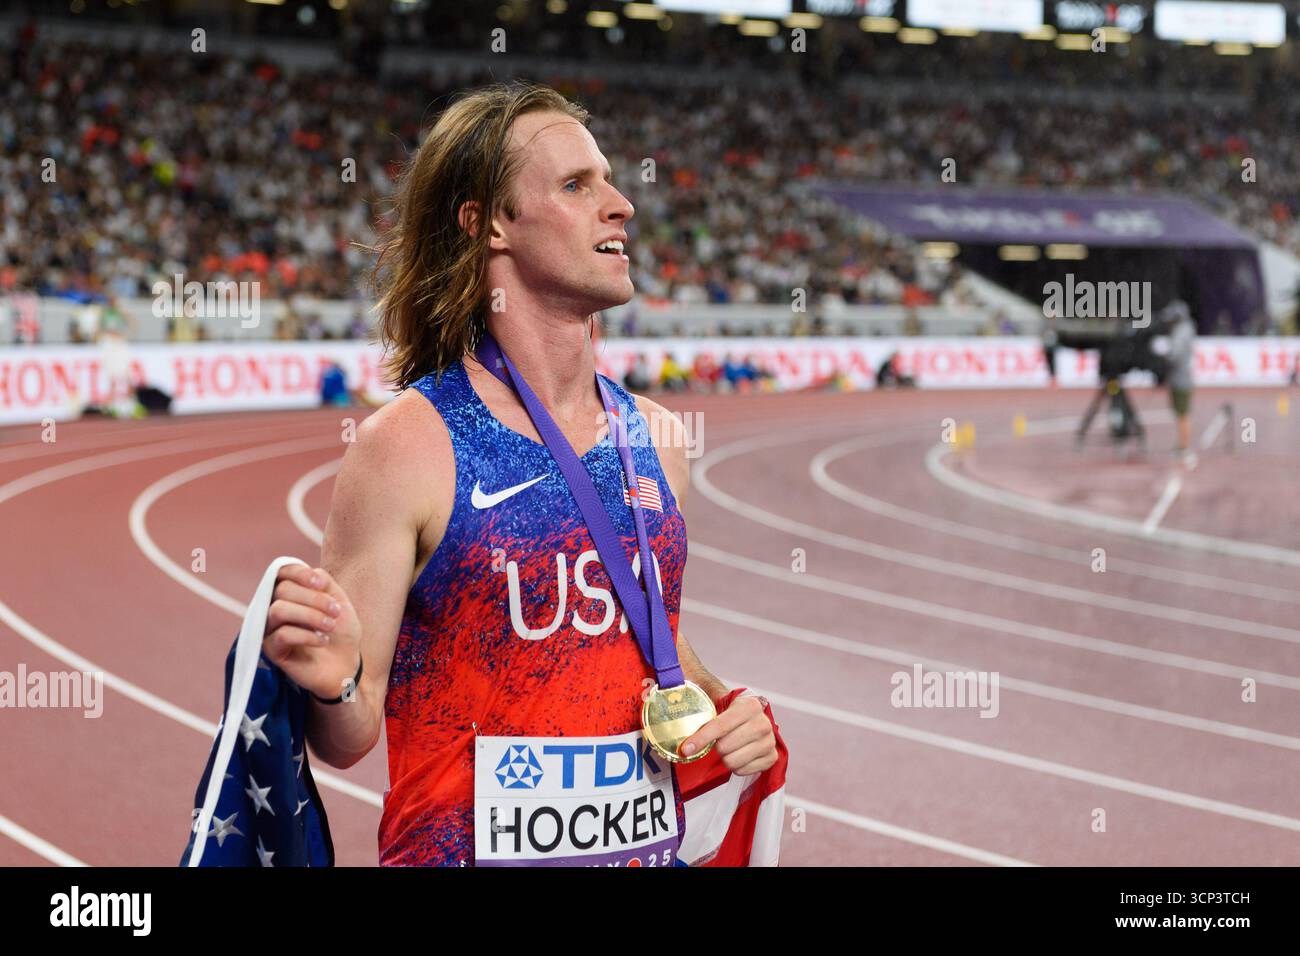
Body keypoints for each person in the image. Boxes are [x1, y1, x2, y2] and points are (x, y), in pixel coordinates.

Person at [260, 83, 778, 867]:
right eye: (577, 185)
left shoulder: (657, 437)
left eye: (607, 178)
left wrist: (725, 705)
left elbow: (646, 643)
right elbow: (349, 732)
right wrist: (330, 679)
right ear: (490, 223)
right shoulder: (409, 445)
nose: (621, 206)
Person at [1164, 300, 1196, 457]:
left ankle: (1184, 446)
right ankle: (1182, 444)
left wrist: (1164, 358)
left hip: (1180, 377)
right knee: (1180, 413)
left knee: (1183, 413)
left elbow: (1175, 355)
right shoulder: (1185, 329)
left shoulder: (1181, 331)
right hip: (1180, 376)